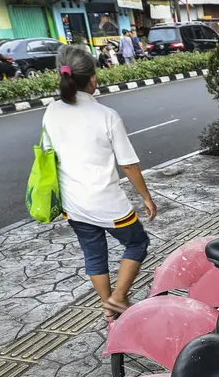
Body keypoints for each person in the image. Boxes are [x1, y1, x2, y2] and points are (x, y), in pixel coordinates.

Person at [43, 45, 157, 321]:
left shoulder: (52, 112)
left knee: (94, 254)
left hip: (75, 204)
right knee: (137, 242)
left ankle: (109, 308)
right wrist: (146, 196)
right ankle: (117, 298)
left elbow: (48, 156)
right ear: (93, 78)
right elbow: (128, 164)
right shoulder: (106, 115)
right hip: (106, 203)